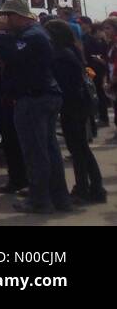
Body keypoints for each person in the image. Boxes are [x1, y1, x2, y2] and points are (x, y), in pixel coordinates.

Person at [0, 0, 72, 213]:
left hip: (33, 98)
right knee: (48, 150)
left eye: (7, 16)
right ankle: (58, 197)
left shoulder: (31, 36)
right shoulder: (33, 35)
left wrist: (0, 35)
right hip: (41, 96)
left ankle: (40, 200)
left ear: (18, 16)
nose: (4, 20)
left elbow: (14, 55)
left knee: (35, 152)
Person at [43, 20, 104, 203]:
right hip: (80, 105)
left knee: (78, 149)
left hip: (73, 106)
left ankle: (84, 189)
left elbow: (66, 85)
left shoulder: (61, 55)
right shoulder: (71, 50)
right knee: (81, 149)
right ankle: (94, 188)